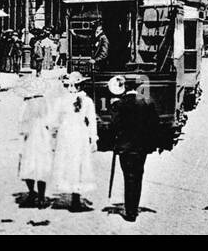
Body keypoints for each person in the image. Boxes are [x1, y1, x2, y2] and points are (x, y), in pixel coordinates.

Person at [109, 75, 159, 223]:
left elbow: (114, 126)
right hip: (140, 148)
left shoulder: (120, 104)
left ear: (125, 88)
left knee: (127, 177)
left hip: (124, 148)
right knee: (137, 177)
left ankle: (129, 210)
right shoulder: (147, 102)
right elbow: (154, 125)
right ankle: (134, 210)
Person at [52, 72, 98, 212]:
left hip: (66, 134)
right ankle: (76, 197)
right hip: (80, 133)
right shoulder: (88, 101)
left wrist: (53, 134)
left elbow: (55, 119)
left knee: (68, 163)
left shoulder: (62, 100)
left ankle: (72, 193)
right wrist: (93, 138)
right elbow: (92, 122)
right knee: (79, 164)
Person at [17, 79, 55, 208]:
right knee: (41, 164)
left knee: (29, 164)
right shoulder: (45, 102)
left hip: (30, 137)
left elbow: (21, 121)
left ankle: (32, 192)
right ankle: (41, 196)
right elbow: (50, 121)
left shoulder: (26, 103)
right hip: (42, 138)